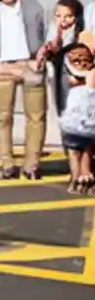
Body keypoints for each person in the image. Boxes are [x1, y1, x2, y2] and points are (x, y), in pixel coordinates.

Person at [0, 0, 48, 180]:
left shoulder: (33, 7)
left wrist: (40, 59)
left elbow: (43, 34)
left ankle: (32, 165)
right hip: (3, 67)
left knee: (36, 117)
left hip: (29, 64)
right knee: (3, 117)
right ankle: (7, 163)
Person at [34, 0, 89, 191]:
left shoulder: (83, 35)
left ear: (76, 17)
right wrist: (55, 35)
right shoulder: (55, 32)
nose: (62, 20)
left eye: (67, 16)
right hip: (59, 85)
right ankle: (75, 175)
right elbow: (51, 51)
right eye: (58, 15)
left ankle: (81, 175)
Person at [57, 41, 95, 194]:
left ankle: (75, 178)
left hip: (71, 122)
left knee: (74, 152)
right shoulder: (90, 75)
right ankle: (85, 178)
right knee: (86, 151)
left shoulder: (69, 77)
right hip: (89, 122)